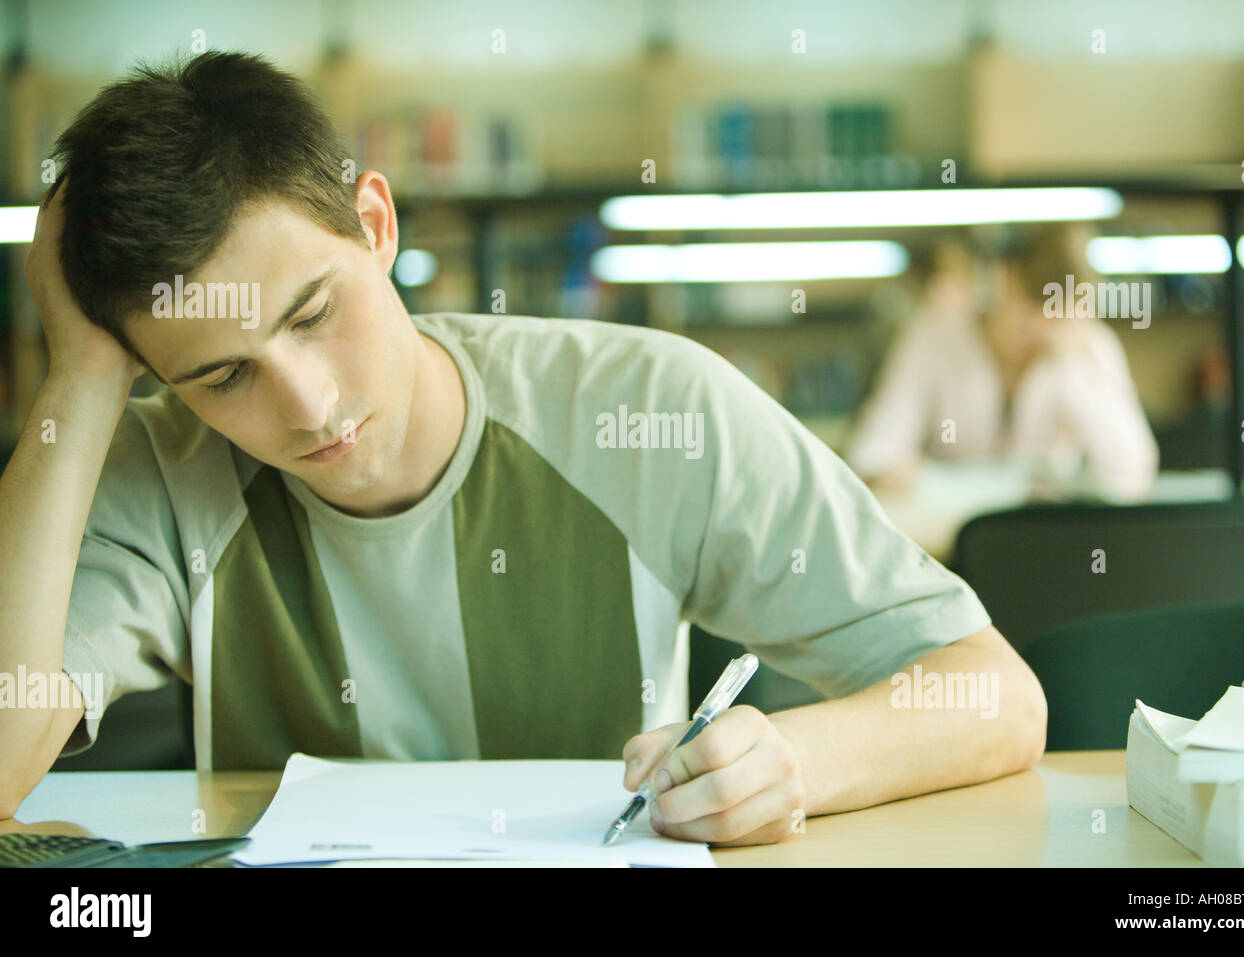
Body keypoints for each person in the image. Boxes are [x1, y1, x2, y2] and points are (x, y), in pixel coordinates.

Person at [0, 50, 1046, 847]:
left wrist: (797, 757)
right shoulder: (152, 472)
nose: (309, 406)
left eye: (314, 313)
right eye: (222, 376)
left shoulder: (650, 407)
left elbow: (995, 694)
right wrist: (80, 380)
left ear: (375, 224)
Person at [844, 226, 1159, 501]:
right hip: (949, 544)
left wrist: (1069, 368)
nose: (1040, 329)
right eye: (1031, 307)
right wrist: (892, 472)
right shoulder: (936, 336)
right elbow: (872, 453)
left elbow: (1131, 472)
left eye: (1056, 315)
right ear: (1005, 278)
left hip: (1044, 538)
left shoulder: (1090, 350)